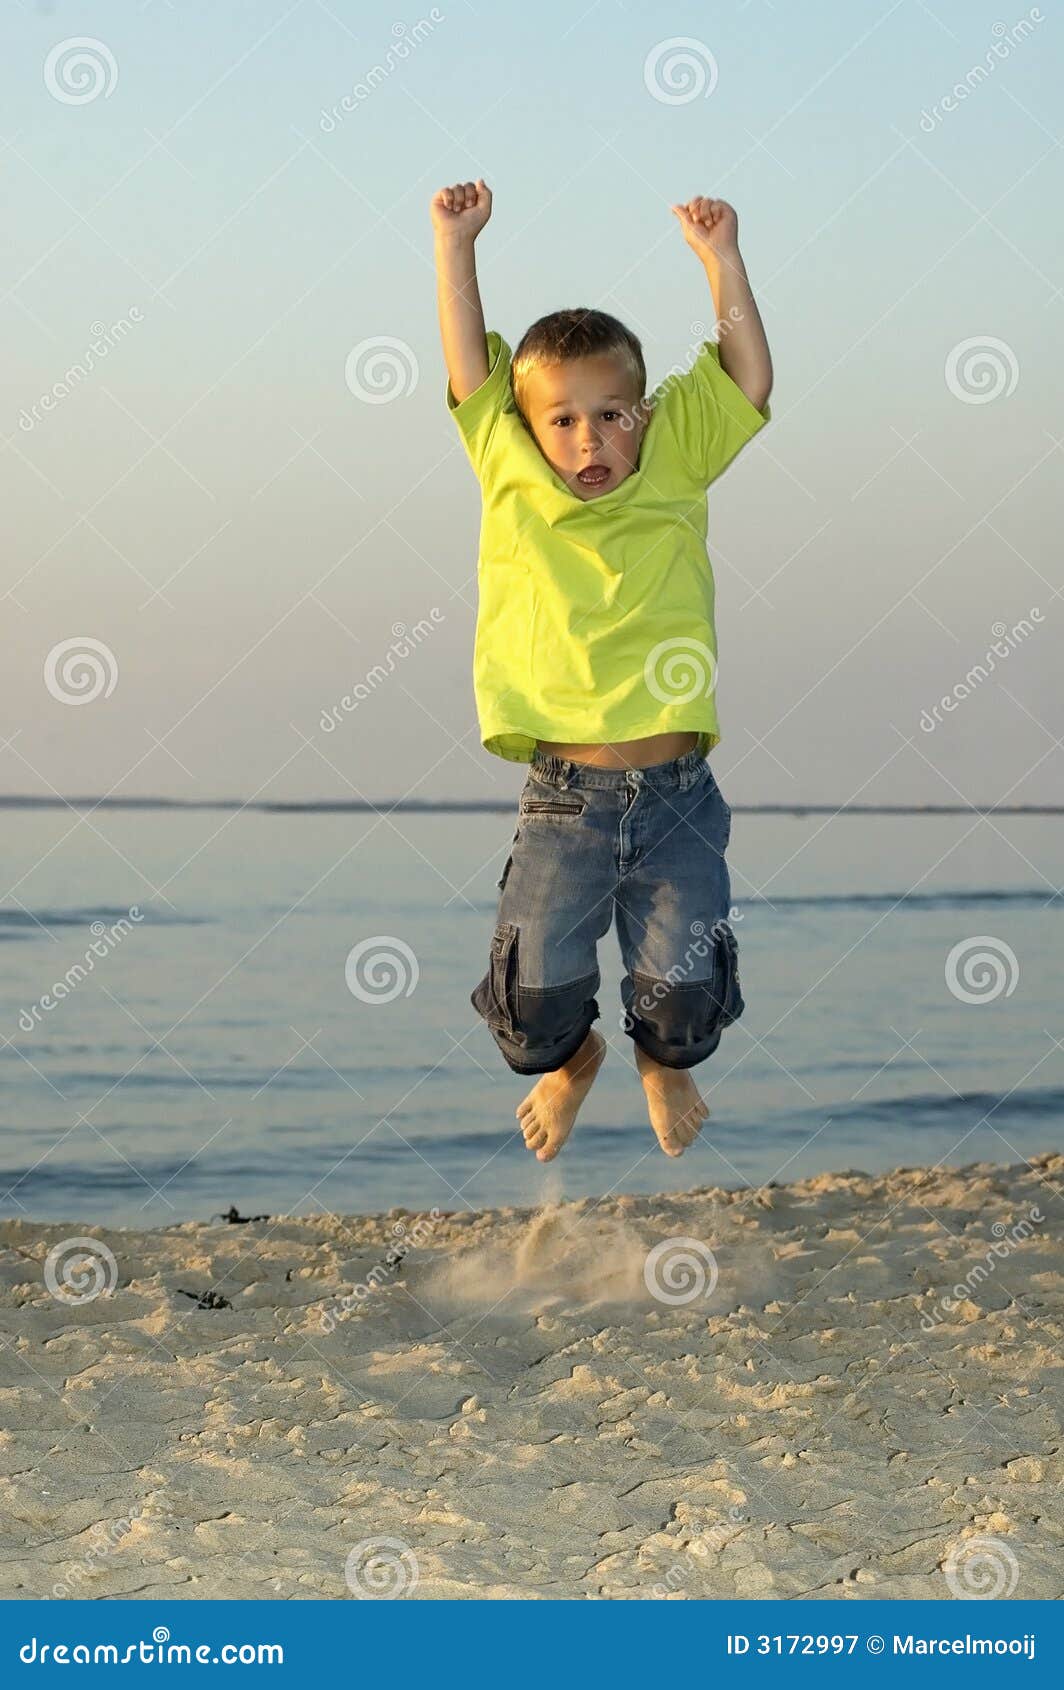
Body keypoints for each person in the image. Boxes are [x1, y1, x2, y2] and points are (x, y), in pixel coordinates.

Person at [431, 178, 773, 1164]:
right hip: (563, 799)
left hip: (674, 798)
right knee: (528, 1003)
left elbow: (746, 378)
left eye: (613, 414)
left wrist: (721, 263)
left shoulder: (673, 459)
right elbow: (466, 359)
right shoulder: (507, 468)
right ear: (525, 425)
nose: (590, 438)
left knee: (685, 999)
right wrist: (456, 247)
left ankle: (659, 1062)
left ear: (644, 411)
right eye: (564, 420)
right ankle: (572, 1059)